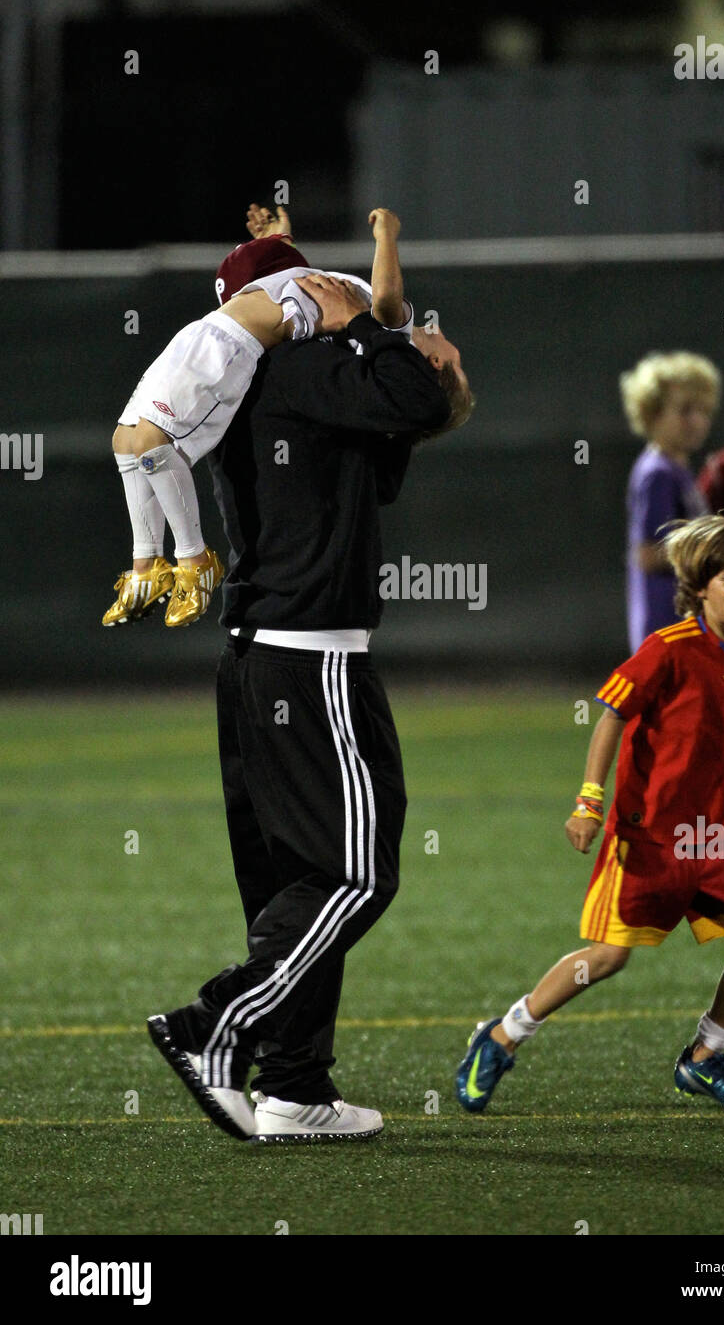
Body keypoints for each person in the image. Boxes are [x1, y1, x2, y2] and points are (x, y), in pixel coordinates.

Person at [148, 274, 473, 1143]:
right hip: (310, 659)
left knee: (297, 882)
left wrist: (397, 349)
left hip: (268, 659)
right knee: (354, 874)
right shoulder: (291, 368)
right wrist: (373, 327)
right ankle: (214, 1024)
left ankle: (292, 1086)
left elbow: (395, 436)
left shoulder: (270, 378)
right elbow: (407, 397)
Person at [455, 514, 724, 1114]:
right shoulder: (668, 649)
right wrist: (589, 800)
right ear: (700, 587)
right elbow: (612, 715)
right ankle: (504, 1034)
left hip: (714, 834)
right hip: (648, 835)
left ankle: (705, 1055)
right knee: (608, 957)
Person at [103, 207, 412, 629]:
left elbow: (388, 304)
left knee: (152, 442)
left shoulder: (356, 301)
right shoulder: (301, 283)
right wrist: (280, 240)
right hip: (205, 332)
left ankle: (193, 560)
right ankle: (146, 566)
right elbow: (281, 271)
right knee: (124, 440)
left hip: (232, 343)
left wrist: (387, 238)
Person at [621, 352, 720, 652]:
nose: (697, 420)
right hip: (667, 630)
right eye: (685, 410)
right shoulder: (658, 473)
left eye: (703, 411)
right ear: (652, 414)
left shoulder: (677, 470)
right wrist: (715, 550)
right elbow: (648, 555)